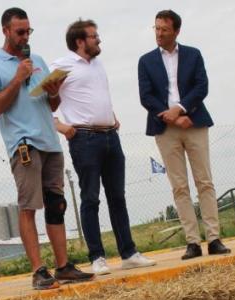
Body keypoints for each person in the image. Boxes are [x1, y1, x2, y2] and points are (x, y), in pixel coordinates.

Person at [0, 7, 94, 289]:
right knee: (29, 205)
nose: (25, 36)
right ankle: (38, 271)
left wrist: (54, 92)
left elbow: (50, 105)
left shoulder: (39, 60)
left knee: (57, 204)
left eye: (28, 31)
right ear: (5, 31)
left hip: (50, 141)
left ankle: (63, 266)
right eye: (20, 32)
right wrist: (17, 78)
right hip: (24, 144)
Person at [52, 20, 156, 275]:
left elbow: (97, 97)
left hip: (110, 135)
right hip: (84, 139)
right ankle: (97, 257)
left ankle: (129, 253)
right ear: (80, 41)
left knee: (117, 197)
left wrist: (111, 115)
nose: (98, 40)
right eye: (94, 36)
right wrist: (60, 126)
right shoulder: (61, 66)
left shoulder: (98, 65)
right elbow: (39, 103)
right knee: (90, 198)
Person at [137, 10, 231, 260]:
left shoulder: (193, 54)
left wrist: (181, 109)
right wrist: (170, 115)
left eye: (164, 30)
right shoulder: (145, 61)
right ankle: (192, 242)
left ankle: (213, 238)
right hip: (164, 127)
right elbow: (146, 96)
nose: (158, 33)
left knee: (205, 181)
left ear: (176, 31)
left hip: (194, 123)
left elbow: (202, 86)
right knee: (179, 186)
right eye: (156, 28)